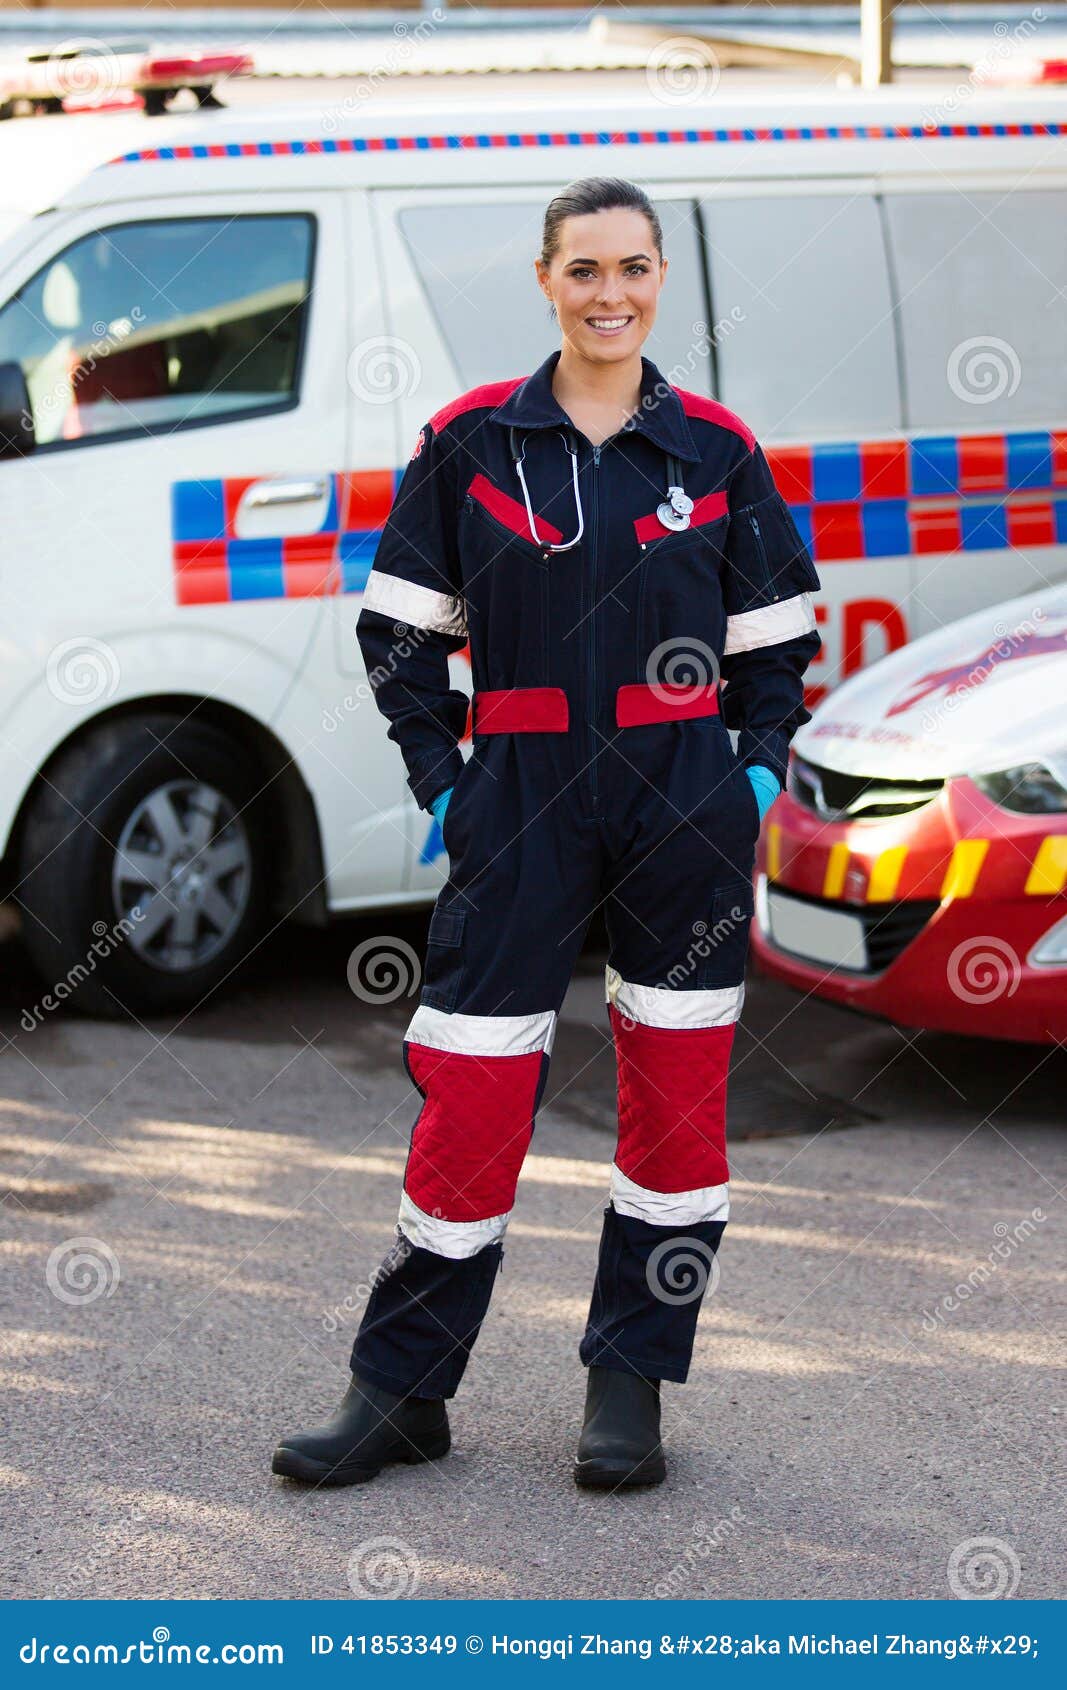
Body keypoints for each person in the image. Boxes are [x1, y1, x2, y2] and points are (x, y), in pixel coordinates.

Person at [272, 176, 821, 1491]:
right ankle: (400, 1389)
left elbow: (777, 646)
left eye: (634, 268)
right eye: (585, 270)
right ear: (544, 280)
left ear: (659, 283)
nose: (612, 292)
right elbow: (399, 632)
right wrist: (446, 782)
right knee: (470, 1088)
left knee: (678, 1103)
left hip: (680, 795)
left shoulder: (717, 453)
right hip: (517, 792)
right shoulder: (470, 442)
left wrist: (745, 781)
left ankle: (629, 1385)